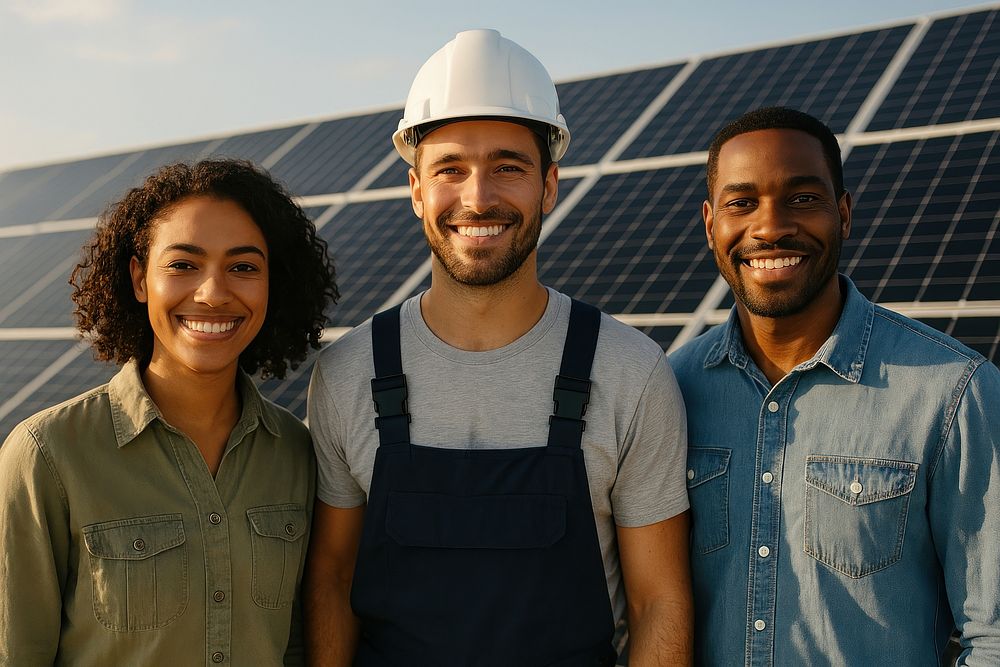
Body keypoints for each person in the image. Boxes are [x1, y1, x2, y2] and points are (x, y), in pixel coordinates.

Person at [305, 29, 692, 666]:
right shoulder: (348, 373)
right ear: (416, 192)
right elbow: (332, 580)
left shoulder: (630, 373)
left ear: (549, 186)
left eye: (508, 168)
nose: (478, 198)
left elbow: (660, 606)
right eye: (450, 169)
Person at [669, 106, 1000, 665]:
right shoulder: (669, 390)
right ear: (710, 224)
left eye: (802, 199)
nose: (770, 227)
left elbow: (991, 634)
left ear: (843, 214)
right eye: (741, 203)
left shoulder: (954, 393)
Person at [0, 160, 339, 666]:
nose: (212, 294)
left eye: (244, 267)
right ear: (139, 279)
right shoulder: (46, 456)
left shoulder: (296, 451)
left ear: (274, 283)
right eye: (183, 265)